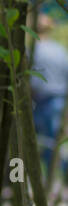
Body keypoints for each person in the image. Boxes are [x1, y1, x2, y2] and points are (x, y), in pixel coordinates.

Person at [31, 12, 68, 185]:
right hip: (58, 102)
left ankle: (31, 183)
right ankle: (55, 184)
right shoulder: (60, 51)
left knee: (31, 144)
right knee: (53, 146)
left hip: (37, 101)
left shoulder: (33, 50)